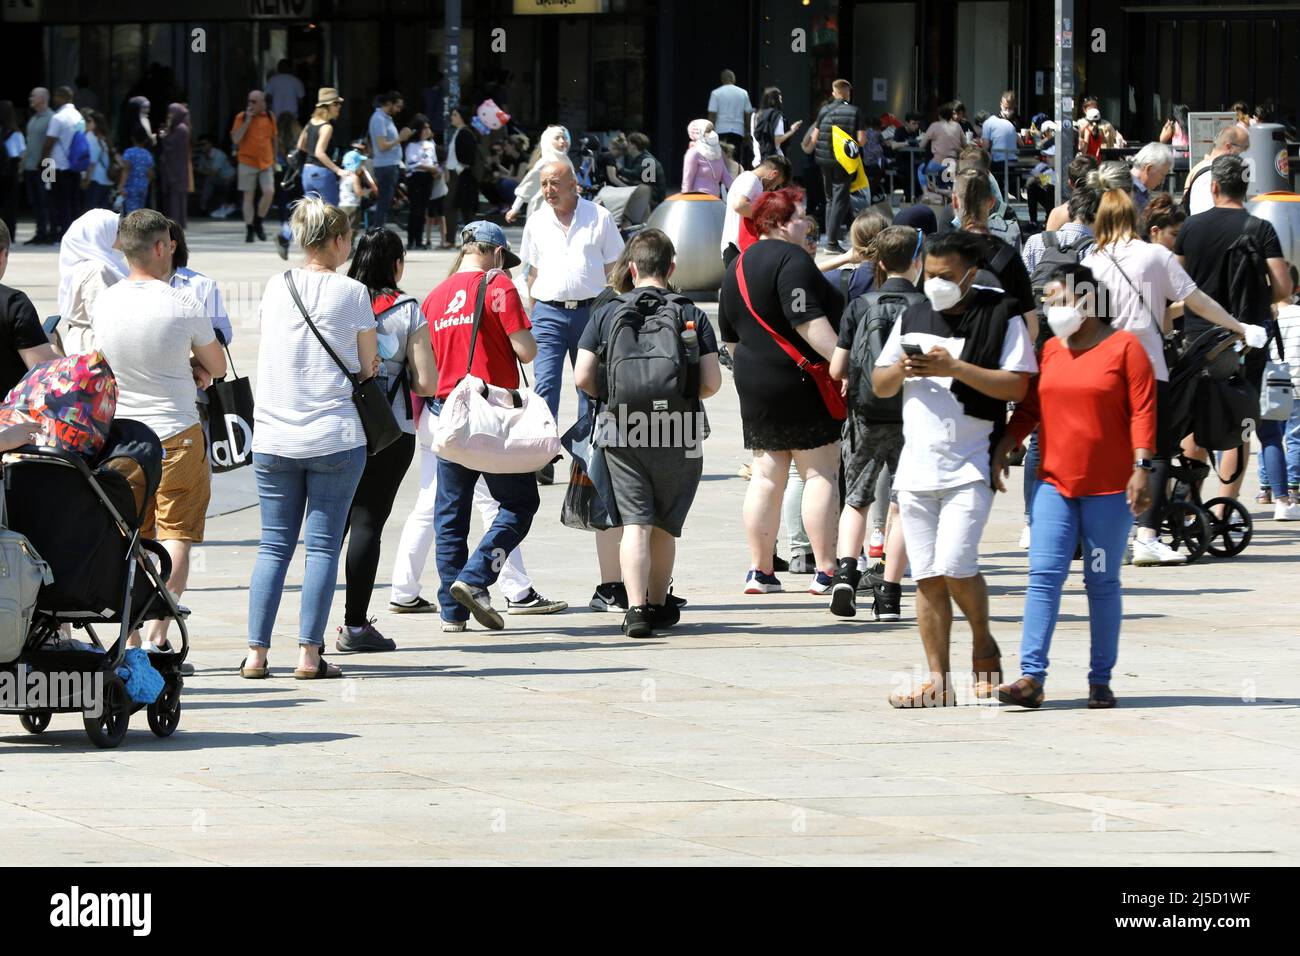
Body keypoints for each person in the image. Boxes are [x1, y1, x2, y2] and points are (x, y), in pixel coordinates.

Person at [872, 229, 1037, 708]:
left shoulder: (999, 314)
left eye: (947, 276)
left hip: (970, 462)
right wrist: (901, 369)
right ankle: (937, 680)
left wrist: (956, 369)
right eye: (930, 273)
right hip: (917, 465)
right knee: (925, 574)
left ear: (970, 273)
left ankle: (983, 645)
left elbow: (1017, 387)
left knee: (956, 563)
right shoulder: (913, 315)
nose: (936, 283)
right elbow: (879, 384)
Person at [992, 263, 1156, 709]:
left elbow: (1143, 411)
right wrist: (1005, 445)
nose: (1051, 309)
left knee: (1101, 582)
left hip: (1108, 491)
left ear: (1088, 300)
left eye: (1060, 300)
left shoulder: (1125, 348)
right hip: (1054, 487)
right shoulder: (1049, 350)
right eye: (1047, 301)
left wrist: (1142, 467)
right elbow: (1029, 409)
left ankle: (1100, 680)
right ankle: (1031, 677)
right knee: (1043, 579)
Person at [1081, 186, 1265, 566]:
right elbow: (1197, 301)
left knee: (1106, 449)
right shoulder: (1154, 256)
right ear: (1135, 220)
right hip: (1147, 366)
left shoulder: (1091, 262)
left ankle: (1096, 532)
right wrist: (1239, 327)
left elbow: (1090, 322)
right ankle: (1147, 535)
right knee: (1156, 447)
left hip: (1103, 368)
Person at [391, 231, 565, 621]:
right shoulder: (497, 283)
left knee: (450, 515)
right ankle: (476, 576)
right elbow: (526, 349)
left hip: (447, 415)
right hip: (490, 418)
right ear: (498, 254)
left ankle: (453, 613)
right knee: (520, 504)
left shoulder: (435, 295)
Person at [242, 197, 375, 680]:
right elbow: (366, 365)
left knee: (273, 546)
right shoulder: (353, 292)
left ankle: (256, 655)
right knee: (321, 548)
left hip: (274, 434)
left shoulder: (277, 286)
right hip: (334, 435)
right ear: (339, 240)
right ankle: (309, 655)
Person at [91, 209, 226, 663]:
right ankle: (156, 638)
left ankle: (127, 642)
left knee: (129, 537)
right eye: (169, 243)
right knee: (176, 536)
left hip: (122, 439)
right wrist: (190, 369)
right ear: (158, 247)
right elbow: (218, 366)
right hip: (176, 435)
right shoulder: (183, 303)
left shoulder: (104, 302)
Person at [574, 229, 723, 636]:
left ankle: (635, 609)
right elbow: (711, 383)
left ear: (633, 268)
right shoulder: (690, 312)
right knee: (664, 524)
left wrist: (612, 394)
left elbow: (582, 375)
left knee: (635, 523)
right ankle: (658, 604)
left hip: (622, 429)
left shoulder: (607, 312)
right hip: (680, 429)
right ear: (672, 268)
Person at [718, 186, 844, 595]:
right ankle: (825, 569)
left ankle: (760, 570)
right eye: (800, 217)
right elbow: (808, 321)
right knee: (819, 472)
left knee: (767, 476)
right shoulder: (793, 260)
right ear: (776, 223)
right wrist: (846, 364)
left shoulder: (736, 265)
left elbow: (731, 337)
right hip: (801, 376)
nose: (806, 223)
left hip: (753, 379)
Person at [333, 229, 438, 651]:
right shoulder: (406, 309)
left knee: (329, 528)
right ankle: (355, 626)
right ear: (396, 264)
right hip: (389, 431)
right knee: (368, 523)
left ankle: (307, 630)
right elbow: (427, 381)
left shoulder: (337, 301)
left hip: (337, 427)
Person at [1174, 155, 1293, 514]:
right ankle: (1225, 509)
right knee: (1240, 417)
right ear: (1247, 189)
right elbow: (1284, 286)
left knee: (1194, 414)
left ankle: (1188, 499)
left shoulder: (1190, 228)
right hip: (1246, 336)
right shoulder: (1260, 228)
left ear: (1213, 187)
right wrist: (1257, 298)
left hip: (1198, 337)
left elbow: (1177, 286)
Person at [829, 224, 925, 619]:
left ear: (879, 262)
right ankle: (889, 594)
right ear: (918, 261)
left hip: (866, 414)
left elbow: (837, 368)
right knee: (902, 504)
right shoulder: (927, 306)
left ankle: (846, 576)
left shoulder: (861, 304)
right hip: (912, 417)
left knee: (857, 497)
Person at [518, 160, 625, 483]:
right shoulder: (536, 221)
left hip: (590, 313)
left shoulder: (599, 217)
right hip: (548, 313)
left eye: (554, 184)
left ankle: (585, 457)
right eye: (544, 184)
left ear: (573, 184)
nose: (548, 190)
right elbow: (531, 271)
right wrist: (530, 313)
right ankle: (544, 455)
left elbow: (614, 268)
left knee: (589, 386)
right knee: (545, 386)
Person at [276, 89, 346, 259]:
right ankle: (335, 249)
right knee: (332, 213)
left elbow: (301, 145)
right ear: (327, 106)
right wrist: (338, 170)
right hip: (322, 173)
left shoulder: (310, 123)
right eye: (336, 104)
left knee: (309, 213)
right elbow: (320, 152)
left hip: (307, 172)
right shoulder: (327, 127)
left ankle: (286, 235)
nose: (339, 107)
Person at [0, 221, 60, 397]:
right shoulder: (13, 304)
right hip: (8, 420)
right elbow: (47, 378)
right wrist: (49, 345)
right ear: (2, 255)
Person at [806, 79, 865, 254]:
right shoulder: (855, 112)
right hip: (843, 161)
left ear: (834, 93)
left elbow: (814, 139)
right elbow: (861, 141)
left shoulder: (824, 110)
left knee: (830, 198)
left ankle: (830, 239)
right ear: (848, 92)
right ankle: (831, 242)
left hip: (824, 160)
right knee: (840, 198)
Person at [56, 209, 125, 354]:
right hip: (95, 352)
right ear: (100, 235)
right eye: (118, 231)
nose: (124, 237)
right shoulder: (96, 270)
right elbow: (103, 321)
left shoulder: (92, 265)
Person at [720, 153, 792, 267]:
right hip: (736, 249)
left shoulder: (750, 179)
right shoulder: (751, 179)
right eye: (776, 184)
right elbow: (740, 206)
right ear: (773, 174)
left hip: (739, 249)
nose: (773, 189)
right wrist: (769, 215)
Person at [230, 89, 279, 243]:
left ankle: (258, 220)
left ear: (263, 102)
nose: (250, 104)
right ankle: (249, 228)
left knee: (269, 191)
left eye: (254, 101)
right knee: (248, 196)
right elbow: (236, 140)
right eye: (249, 101)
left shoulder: (270, 117)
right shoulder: (241, 117)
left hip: (266, 161)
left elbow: (274, 139)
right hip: (247, 161)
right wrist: (247, 121)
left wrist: (275, 159)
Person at [43, 86, 85, 240]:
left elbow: (49, 143)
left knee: (54, 199)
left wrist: (43, 163)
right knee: (73, 202)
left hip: (54, 166)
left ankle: (58, 232)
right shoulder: (79, 116)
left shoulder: (58, 117)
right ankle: (73, 235)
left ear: (61, 97)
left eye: (56, 97)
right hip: (75, 166)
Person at [506, 125, 570, 224]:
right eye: (557, 138)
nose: (562, 141)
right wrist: (515, 208)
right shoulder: (545, 162)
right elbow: (528, 185)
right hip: (544, 210)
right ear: (548, 141)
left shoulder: (567, 162)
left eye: (564, 138)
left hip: (564, 210)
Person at [1182, 125, 1248, 216]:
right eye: (1245, 149)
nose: (1248, 154)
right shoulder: (1210, 175)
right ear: (1229, 147)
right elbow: (1205, 217)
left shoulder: (1203, 168)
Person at [368, 90, 412, 227]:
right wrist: (400, 138)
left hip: (391, 164)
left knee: (387, 200)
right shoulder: (379, 119)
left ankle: (380, 228)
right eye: (397, 106)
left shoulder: (387, 118)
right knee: (384, 201)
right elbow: (382, 145)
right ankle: (378, 230)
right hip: (385, 165)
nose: (399, 110)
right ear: (389, 103)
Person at [441, 105, 480, 243]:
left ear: (462, 117)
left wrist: (455, 170)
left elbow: (468, 158)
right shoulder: (459, 132)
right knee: (459, 208)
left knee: (458, 207)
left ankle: (458, 240)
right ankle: (455, 240)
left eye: (455, 115)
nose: (452, 117)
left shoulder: (465, 133)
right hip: (456, 175)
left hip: (461, 176)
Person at [22, 88, 54, 244]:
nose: (30, 98)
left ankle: (48, 231)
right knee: (34, 200)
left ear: (43, 98)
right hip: (30, 166)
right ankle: (39, 231)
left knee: (46, 199)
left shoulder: (52, 118)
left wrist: (46, 165)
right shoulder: (33, 119)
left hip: (47, 166)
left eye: (33, 96)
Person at [403, 115, 439, 250]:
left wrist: (435, 170)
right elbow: (414, 164)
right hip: (416, 179)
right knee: (415, 209)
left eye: (428, 128)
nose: (427, 130)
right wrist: (431, 168)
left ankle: (419, 240)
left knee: (423, 210)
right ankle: (411, 239)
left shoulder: (431, 144)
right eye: (424, 128)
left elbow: (434, 161)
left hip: (428, 178)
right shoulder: (411, 145)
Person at [917, 102, 965, 194]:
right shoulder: (957, 126)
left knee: (921, 169)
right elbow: (965, 144)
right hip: (953, 163)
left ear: (939, 116)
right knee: (949, 177)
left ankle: (926, 193)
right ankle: (948, 194)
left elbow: (921, 145)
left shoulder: (934, 126)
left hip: (937, 163)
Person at [708, 69, 753, 165]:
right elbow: (748, 114)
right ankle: (734, 179)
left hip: (720, 130)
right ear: (734, 79)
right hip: (738, 131)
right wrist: (747, 131)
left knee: (719, 159)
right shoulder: (743, 93)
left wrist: (708, 132)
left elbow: (712, 115)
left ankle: (721, 179)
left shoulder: (716, 93)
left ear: (722, 79)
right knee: (735, 160)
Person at [157, 103, 192, 227]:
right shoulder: (179, 128)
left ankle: (176, 223)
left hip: (177, 170)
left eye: (172, 113)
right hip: (176, 168)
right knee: (174, 198)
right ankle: (176, 222)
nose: (170, 116)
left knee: (176, 198)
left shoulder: (181, 129)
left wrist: (164, 137)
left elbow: (170, 145)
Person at [1043, 154, 1098, 232]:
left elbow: (1048, 242)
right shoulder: (1109, 212)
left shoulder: (1057, 214)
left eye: (1050, 156)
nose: (1047, 158)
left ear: (1070, 183)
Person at [682, 119, 733, 197]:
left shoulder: (717, 152)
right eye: (708, 131)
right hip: (697, 200)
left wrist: (739, 192)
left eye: (712, 130)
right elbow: (687, 180)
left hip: (714, 200)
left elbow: (726, 177)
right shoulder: (693, 153)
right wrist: (685, 200)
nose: (712, 133)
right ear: (699, 133)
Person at [751, 87, 801, 165]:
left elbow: (754, 136)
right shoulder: (777, 116)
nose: (781, 102)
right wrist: (792, 130)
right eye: (780, 99)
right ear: (773, 101)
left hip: (758, 159)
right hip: (774, 160)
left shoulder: (755, 116)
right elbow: (777, 140)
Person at [618, 132, 667, 210]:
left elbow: (635, 175)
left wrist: (619, 169)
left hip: (653, 202)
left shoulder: (647, 160)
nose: (626, 146)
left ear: (633, 145)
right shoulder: (641, 158)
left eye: (628, 143)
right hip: (650, 199)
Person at [980, 106, 1018, 195]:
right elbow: (1019, 142)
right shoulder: (1008, 123)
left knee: (983, 164)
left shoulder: (987, 124)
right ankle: (1004, 190)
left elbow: (985, 147)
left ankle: (990, 193)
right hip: (1013, 161)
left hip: (1000, 162)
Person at [1, 101, 25, 238]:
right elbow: (21, 154)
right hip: (11, 172)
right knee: (10, 205)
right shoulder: (16, 133)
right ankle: (10, 234)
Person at [194, 135, 236, 215]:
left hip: (228, 179)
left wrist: (204, 171)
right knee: (205, 180)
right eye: (200, 145)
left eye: (203, 144)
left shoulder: (218, 155)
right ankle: (203, 205)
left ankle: (203, 206)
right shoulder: (203, 156)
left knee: (209, 179)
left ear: (210, 144)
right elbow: (199, 171)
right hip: (216, 178)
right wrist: (205, 171)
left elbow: (213, 173)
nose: (202, 147)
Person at [1129, 142, 1173, 217]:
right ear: (1149, 168)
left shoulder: (1141, 190)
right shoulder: (1127, 190)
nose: (1162, 181)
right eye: (1162, 175)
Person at [118, 128, 154, 213]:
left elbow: (126, 170)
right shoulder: (148, 154)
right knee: (140, 212)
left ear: (132, 139)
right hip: (143, 187)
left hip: (131, 187)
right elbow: (150, 173)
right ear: (145, 140)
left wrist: (121, 186)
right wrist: (145, 183)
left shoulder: (129, 152)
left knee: (131, 214)